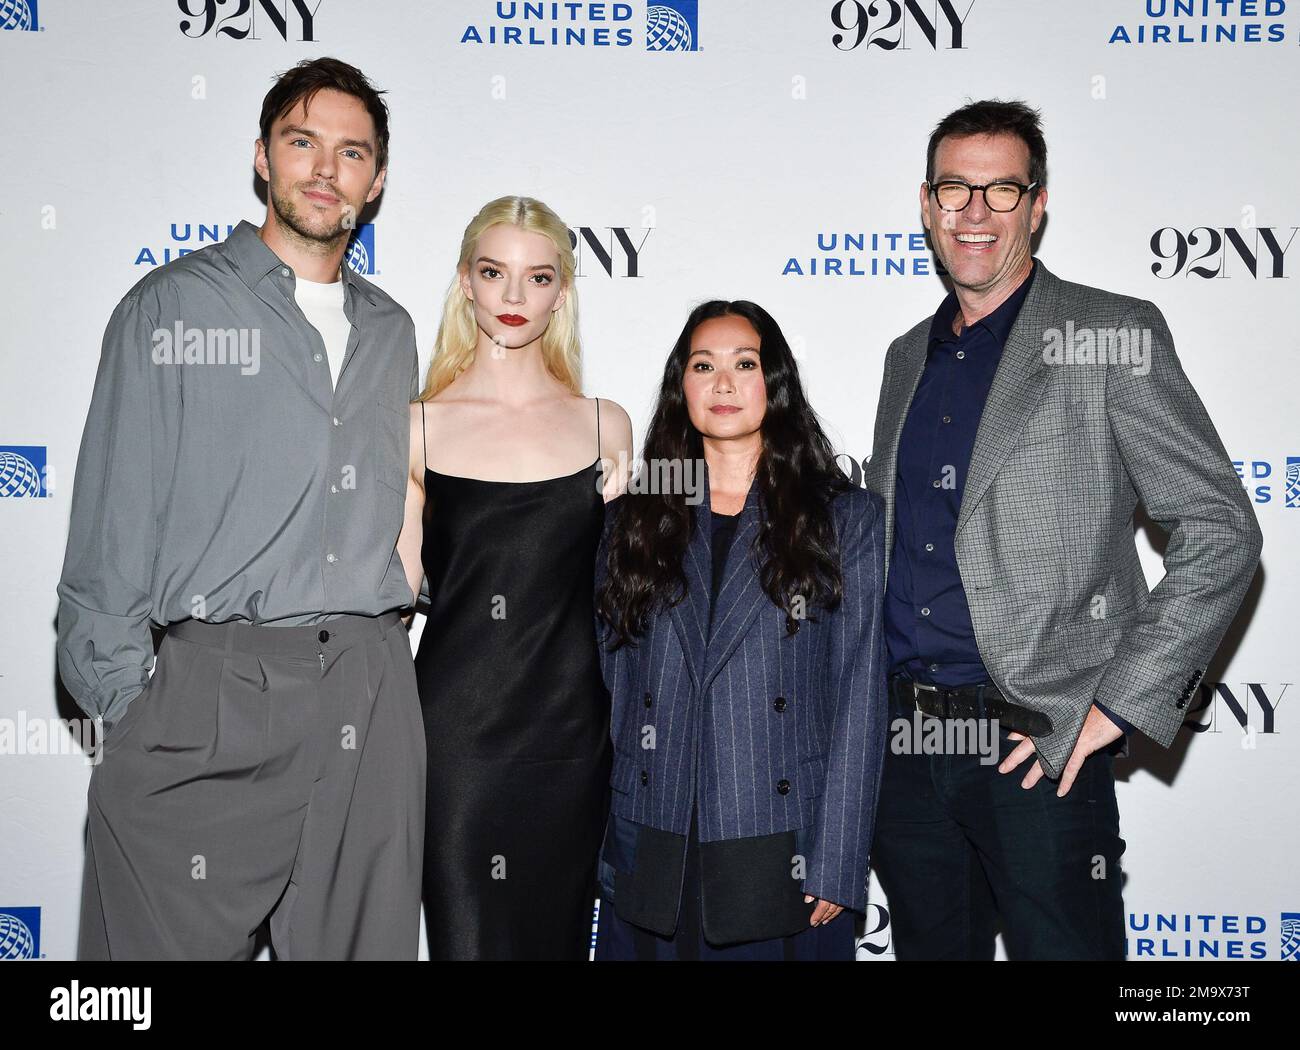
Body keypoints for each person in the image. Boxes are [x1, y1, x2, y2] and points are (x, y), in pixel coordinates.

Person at [863, 99, 1263, 960]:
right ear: (925, 203)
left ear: (1038, 205)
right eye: (954, 188)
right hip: (904, 745)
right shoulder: (906, 355)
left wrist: (1116, 703)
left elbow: (1221, 528)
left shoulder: (1110, 333)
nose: (974, 212)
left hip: (1034, 744)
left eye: (1000, 190)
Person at [56, 58, 426, 959]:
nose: (324, 170)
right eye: (303, 143)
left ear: (376, 182)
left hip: (369, 698)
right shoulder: (170, 309)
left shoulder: (394, 331)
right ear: (262, 157)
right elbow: (111, 534)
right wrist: (137, 722)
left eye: (351, 152)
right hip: (210, 695)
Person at [591, 300, 887, 960]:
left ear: (774, 383)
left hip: (782, 845)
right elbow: (612, 687)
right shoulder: (632, 521)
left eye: (743, 364)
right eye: (703, 366)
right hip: (655, 839)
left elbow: (860, 696)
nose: (722, 384)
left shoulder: (844, 519)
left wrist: (838, 859)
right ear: (681, 387)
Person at [395, 195, 633, 960]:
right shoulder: (417, 425)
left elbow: (624, 589)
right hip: (457, 737)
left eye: (537, 278)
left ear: (563, 291)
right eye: (494, 273)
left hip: (574, 734)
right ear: (465, 281)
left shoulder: (608, 423)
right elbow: (393, 598)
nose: (513, 297)